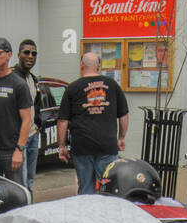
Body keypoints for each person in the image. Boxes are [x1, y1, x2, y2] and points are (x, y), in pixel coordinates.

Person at [57, 51, 129, 194]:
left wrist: (62, 146)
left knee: (85, 189)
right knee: (108, 189)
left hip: (82, 145)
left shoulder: (73, 88)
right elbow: (124, 115)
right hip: (106, 145)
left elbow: (63, 121)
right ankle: (106, 215)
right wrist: (121, 138)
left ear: (82, 65)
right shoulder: (112, 85)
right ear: (99, 67)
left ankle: (87, 214)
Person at [0, 37, 33, 181]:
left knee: (15, 195)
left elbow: (27, 120)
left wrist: (19, 149)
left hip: (11, 151)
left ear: (9, 55)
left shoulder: (19, 84)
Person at [15, 39, 41, 190]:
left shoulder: (33, 79)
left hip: (33, 136)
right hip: (19, 138)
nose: (30, 56)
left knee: (30, 179)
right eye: (26, 52)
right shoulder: (13, 79)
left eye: (34, 54)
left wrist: (38, 125)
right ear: (18, 54)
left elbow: (36, 103)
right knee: (21, 180)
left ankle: (30, 205)